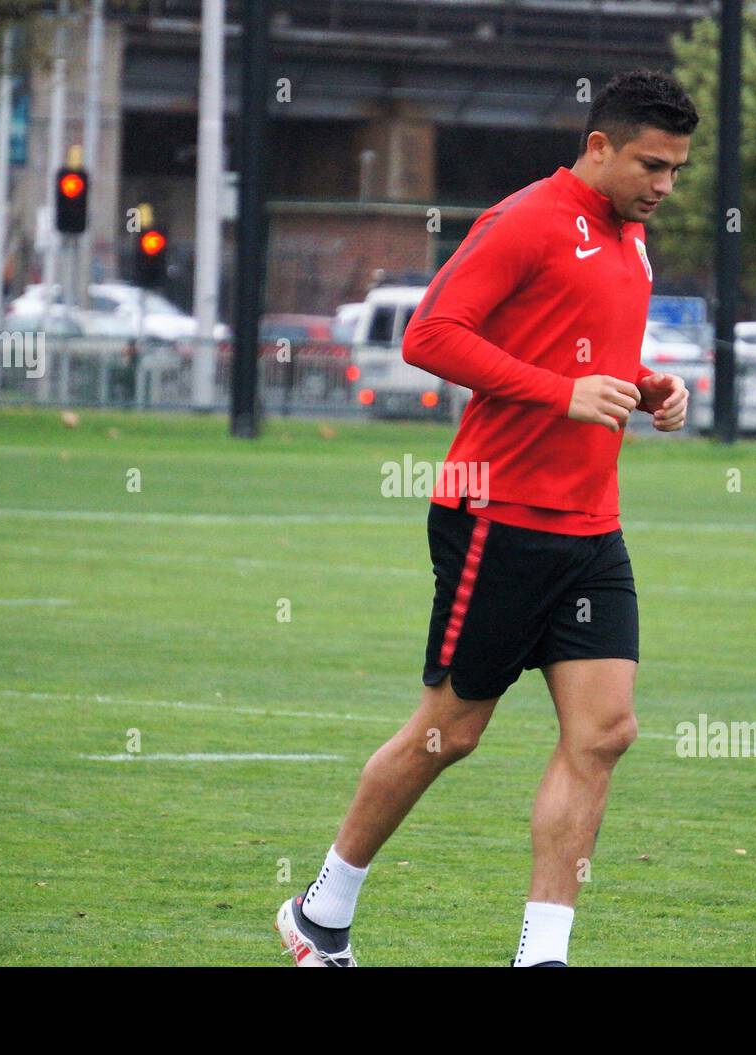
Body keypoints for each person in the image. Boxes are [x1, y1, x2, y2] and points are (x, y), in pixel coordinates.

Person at [276, 69, 696, 966]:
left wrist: (650, 381)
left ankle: (542, 955)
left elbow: (587, 349)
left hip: (590, 526)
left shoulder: (632, 238)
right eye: (651, 166)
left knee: (605, 732)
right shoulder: (525, 220)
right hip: (497, 514)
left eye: (676, 170)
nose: (663, 185)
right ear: (598, 147)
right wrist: (563, 392)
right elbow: (427, 335)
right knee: (450, 731)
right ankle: (321, 911)